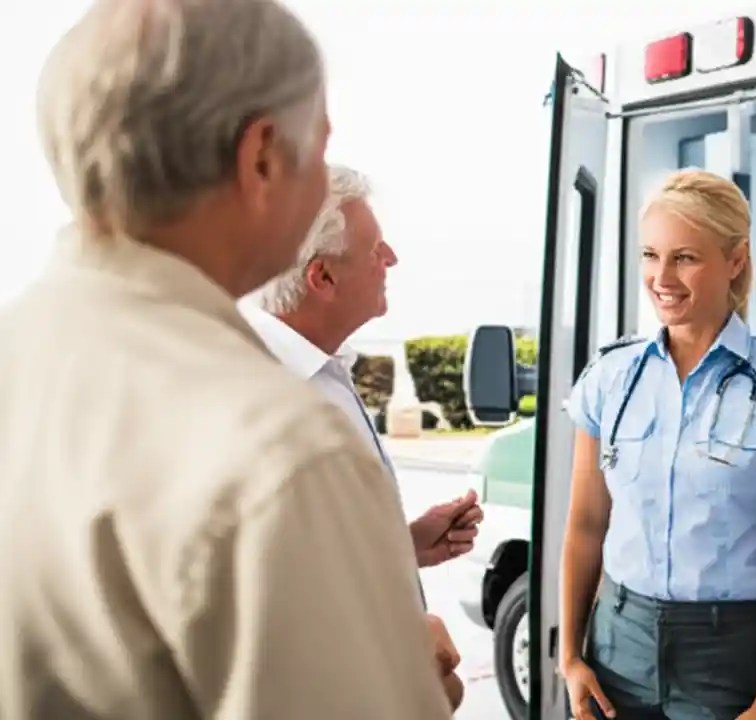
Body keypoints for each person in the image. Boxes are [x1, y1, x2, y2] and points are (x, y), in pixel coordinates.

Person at [0, 1, 453, 718]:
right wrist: (415, 680)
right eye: (320, 142)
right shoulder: (279, 446)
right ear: (263, 158)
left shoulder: (23, 359)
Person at [558, 169, 756, 720]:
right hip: (618, 645)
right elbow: (586, 524)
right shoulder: (610, 377)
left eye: (685, 257)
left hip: (731, 655)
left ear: (735, 260)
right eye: (650, 255)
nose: (661, 277)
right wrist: (570, 656)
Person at [240, 163, 483, 708]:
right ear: (321, 277)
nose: (391, 259)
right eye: (375, 249)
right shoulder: (250, 396)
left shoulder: (325, 373)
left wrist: (403, 545)